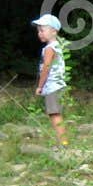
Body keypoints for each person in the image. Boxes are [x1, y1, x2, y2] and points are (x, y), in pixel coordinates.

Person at [31, 12, 70, 147]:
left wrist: (40, 86)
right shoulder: (58, 46)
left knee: (54, 114)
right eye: (38, 31)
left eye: (42, 30)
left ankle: (63, 143)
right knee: (55, 113)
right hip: (59, 85)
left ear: (54, 31)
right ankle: (63, 141)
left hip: (53, 86)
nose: (39, 33)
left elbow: (46, 68)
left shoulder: (49, 48)